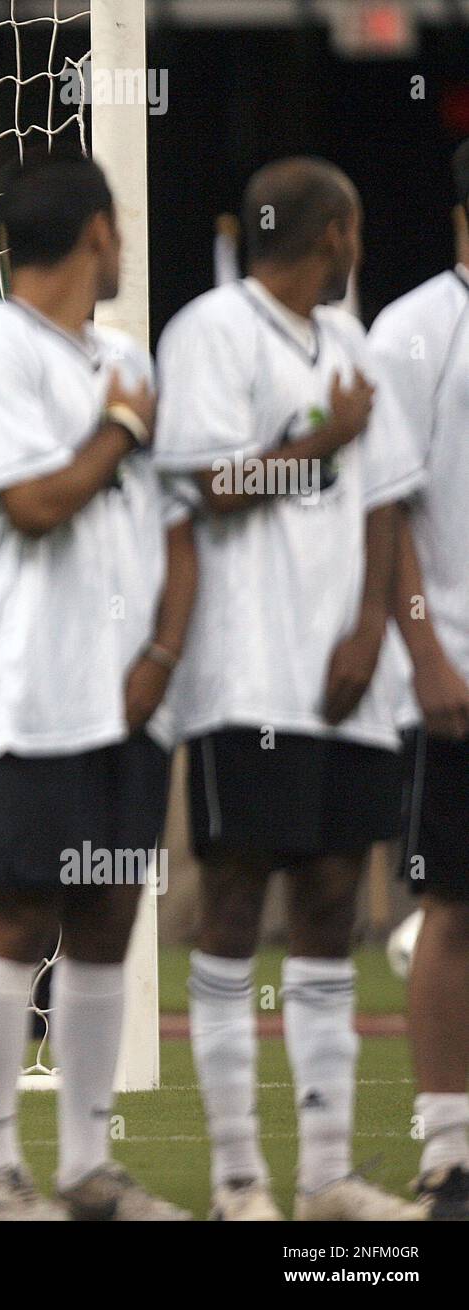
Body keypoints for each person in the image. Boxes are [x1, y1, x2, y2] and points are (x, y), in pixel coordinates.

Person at [154, 157, 426, 1220]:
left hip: (346, 679)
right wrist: (321, 442)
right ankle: (236, 1177)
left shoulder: (350, 344)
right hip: (246, 675)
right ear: (334, 231)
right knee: (233, 900)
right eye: (352, 229)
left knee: (328, 904)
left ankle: (325, 1174)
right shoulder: (210, 332)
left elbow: (386, 504)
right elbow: (208, 487)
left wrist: (371, 630)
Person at [0, 154, 196, 1220]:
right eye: (118, 227)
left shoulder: (125, 355)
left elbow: (176, 527)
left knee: (106, 915)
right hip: (27, 687)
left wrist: (162, 659)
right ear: (94, 232)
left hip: (128, 695)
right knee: (19, 912)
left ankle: (88, 1165)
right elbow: (37, 503)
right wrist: (120, 429)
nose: (124, 246)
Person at [367, 138, 469, 1220]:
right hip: (458, 675)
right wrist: (424, 646)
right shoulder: (414, 331)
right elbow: (380, 509)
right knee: (453, 905)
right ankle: (447, 1153)